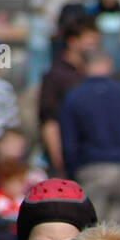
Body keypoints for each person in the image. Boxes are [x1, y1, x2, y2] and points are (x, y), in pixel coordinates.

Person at [59, 50, 120, 229]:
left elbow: (69, 146)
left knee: (92, 236)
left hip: (92, 169)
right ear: (109, 64)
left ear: (83, 67)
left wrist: (71, 174)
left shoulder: (74, 97)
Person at [38, 18, 100, 176]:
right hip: (67, 159)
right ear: (73, 42)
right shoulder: (56, 76)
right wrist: (59, 158)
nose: (95, 46)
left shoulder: (92, 74)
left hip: (92, 158)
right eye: (90, 41)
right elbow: (49, 120)